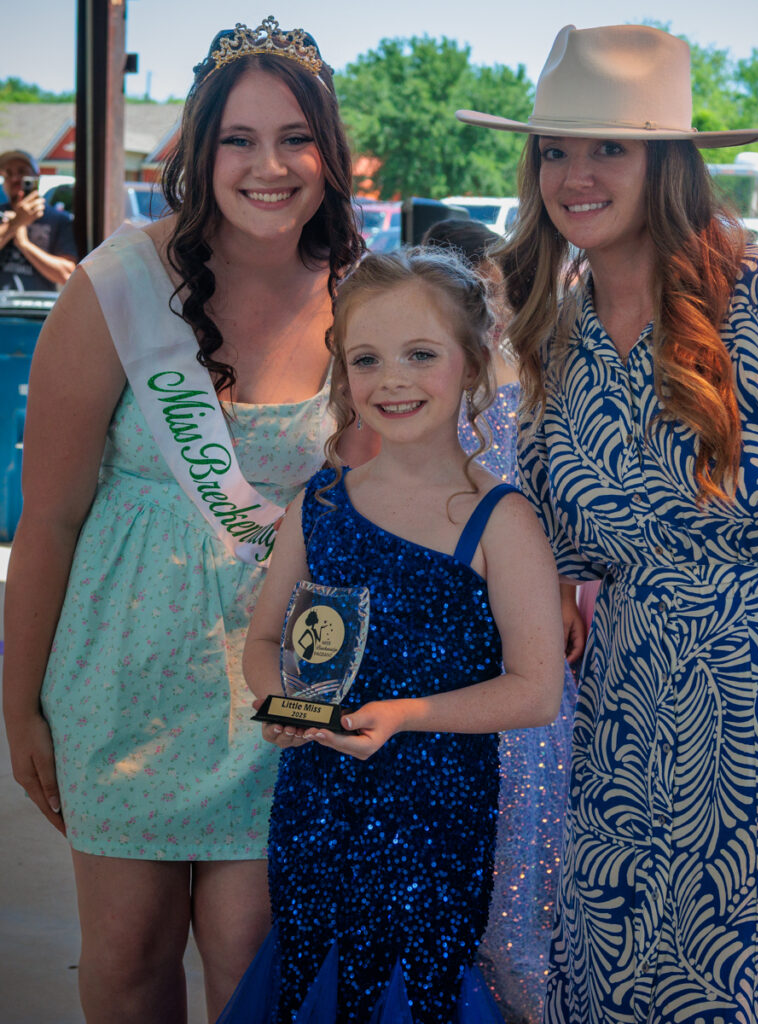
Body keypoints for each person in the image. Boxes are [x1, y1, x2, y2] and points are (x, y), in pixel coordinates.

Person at [457, 23, 758, 1023]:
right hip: (625, 721)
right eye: (554, 149)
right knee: (609, 985)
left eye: (606, 147)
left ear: (663, 162)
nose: (572, 174)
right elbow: (541, 540)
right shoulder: (561, 327)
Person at [2, 18, 372, 1024]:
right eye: (237, 139)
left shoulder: (366, 297)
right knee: (123, 966)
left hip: (283, 685)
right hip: (120, 679)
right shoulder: (117, 286)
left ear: (328, 154)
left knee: (257, 964)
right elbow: (49, 521)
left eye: (294, 137)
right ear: (198, 153)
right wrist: (19, 702)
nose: (268, 165)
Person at [217, 247, 565, 1023]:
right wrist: (282, 702)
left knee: (412, 989)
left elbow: (535, 691)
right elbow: (266, 637)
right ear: (342, 373)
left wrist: (407, 716)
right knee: (314, 976)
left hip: (431, 822)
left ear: (472, 365)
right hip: (315, 810)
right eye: (366, 359)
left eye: (420, 355)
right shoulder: (324, 501)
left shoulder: (498, 521)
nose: (392, 379)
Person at [422, 216, 581, 1023]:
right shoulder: (421, 394)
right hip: (442, 656)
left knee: (525, 860)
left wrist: (561, 586)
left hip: (523, 664)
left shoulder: (539, 383)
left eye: (491, 287)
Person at [0, 148, 76, 290]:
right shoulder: (1, 214)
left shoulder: (59, 220)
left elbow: (67, 274)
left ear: (36, 176)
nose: (15, 178)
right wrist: (14, 224)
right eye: (8, 174)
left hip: (38, 309)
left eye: (22, 172)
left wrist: (24, 244)